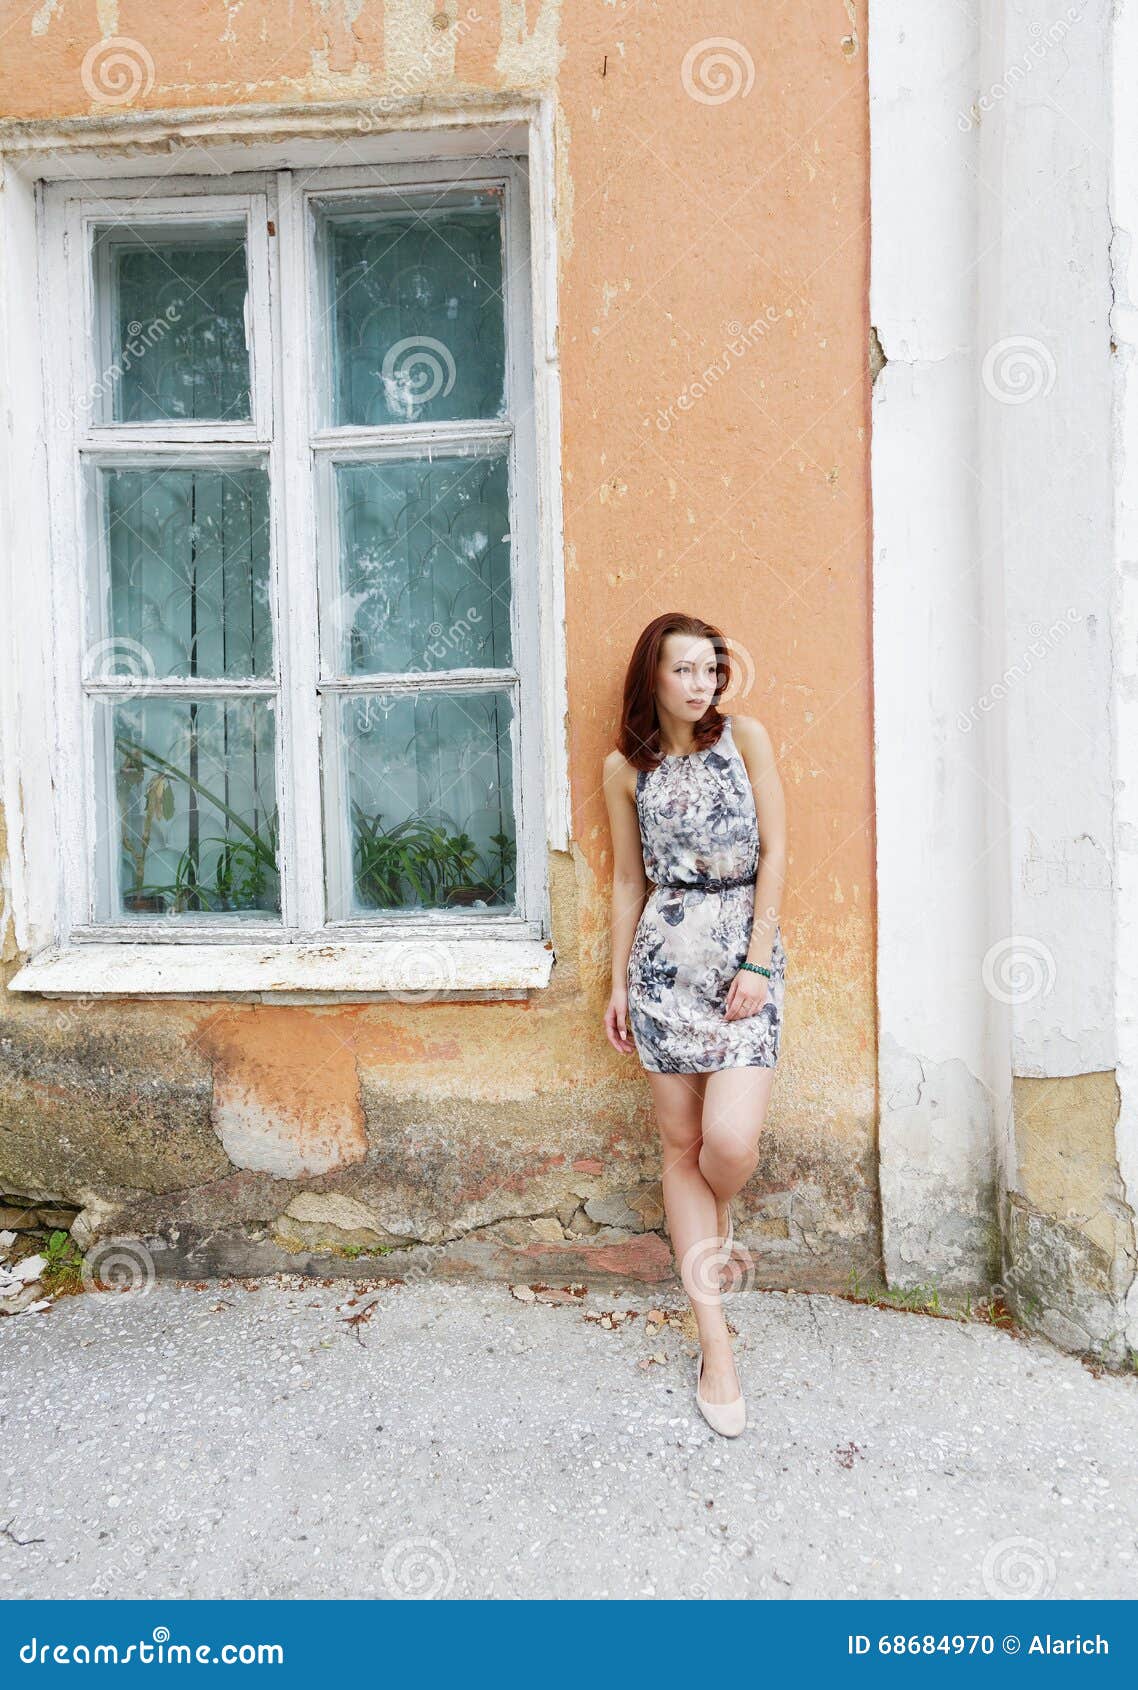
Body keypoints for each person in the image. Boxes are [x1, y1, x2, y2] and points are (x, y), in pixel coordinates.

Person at [602, 613, 788, 1438]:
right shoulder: (624, 769)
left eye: (712, 668)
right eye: (686, 670)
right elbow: (624, 884)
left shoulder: (745, 738)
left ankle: (711, 1225)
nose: (703, 683)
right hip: (661, 970)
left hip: (741, 964)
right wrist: (615, 986)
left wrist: (756, 962)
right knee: (678, 1149)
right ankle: (715, 1340)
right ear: (654, 678)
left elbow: (777, 853)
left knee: (730, 1146)